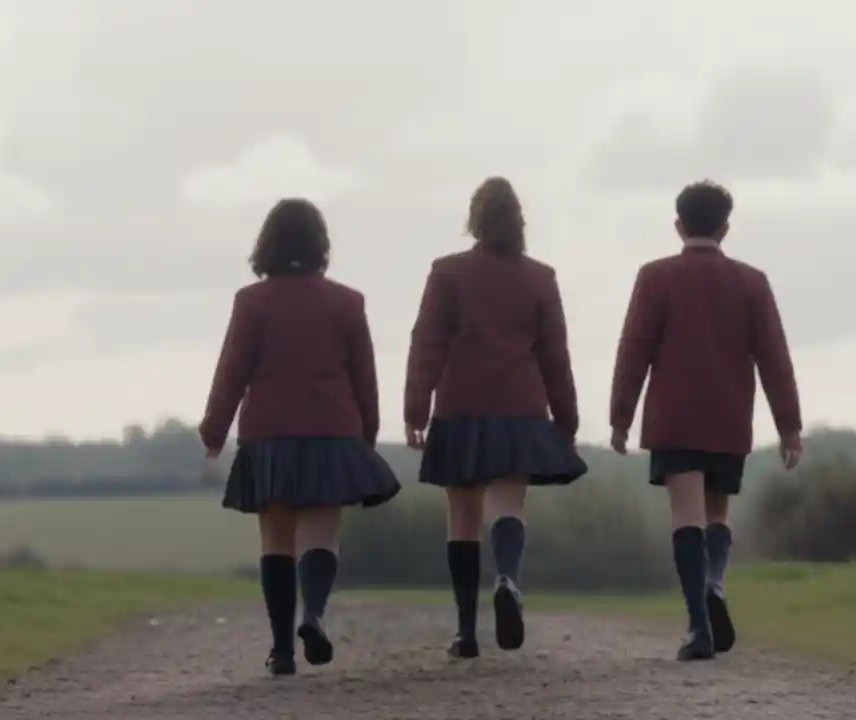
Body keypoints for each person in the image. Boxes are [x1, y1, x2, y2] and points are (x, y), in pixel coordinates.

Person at [199, 198, 401, 677]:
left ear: (266, 245)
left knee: (276, 537)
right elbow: (364, 376)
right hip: (332, 430)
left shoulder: (252, 301)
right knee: (321, 533)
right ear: (320, 246)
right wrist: (367, 433)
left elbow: (232, 371)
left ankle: (281, 651)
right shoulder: (347, 302)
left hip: (268, 434)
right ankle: (313, 614)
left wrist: (214, 429)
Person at [609, 180, 803, 661]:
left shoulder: (655, 276)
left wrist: (620, 417)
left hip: (674, 418)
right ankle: (715, 582)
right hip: (728, 417)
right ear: (725, 228)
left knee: (685, 516)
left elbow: (634, 350)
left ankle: (698, 626)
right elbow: (774, 357)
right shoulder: (752, 282)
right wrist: (789, 426)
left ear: (678, 226)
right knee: (717, 514)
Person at [404, 176, 588, 660]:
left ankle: (466, 633)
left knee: (463, 517)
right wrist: (566, 420)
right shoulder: (540, 278)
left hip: (460, 408)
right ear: (518, 221)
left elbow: (427, 343)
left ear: (475, 221)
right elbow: (555, 356)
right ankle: (507, 577)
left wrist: (415, 408)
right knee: (507, 505)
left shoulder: (446, 273)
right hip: (519, 410)